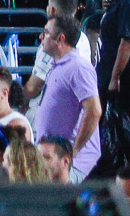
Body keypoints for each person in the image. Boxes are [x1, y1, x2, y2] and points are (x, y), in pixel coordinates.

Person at [36, 14, 102, 179]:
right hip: (57, 161)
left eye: (45, 33)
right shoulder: (58, 65)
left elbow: (94, 111)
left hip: (70, 164)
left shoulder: (79, 67)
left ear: (60, 39)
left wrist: (74, 151)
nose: (41, 37)